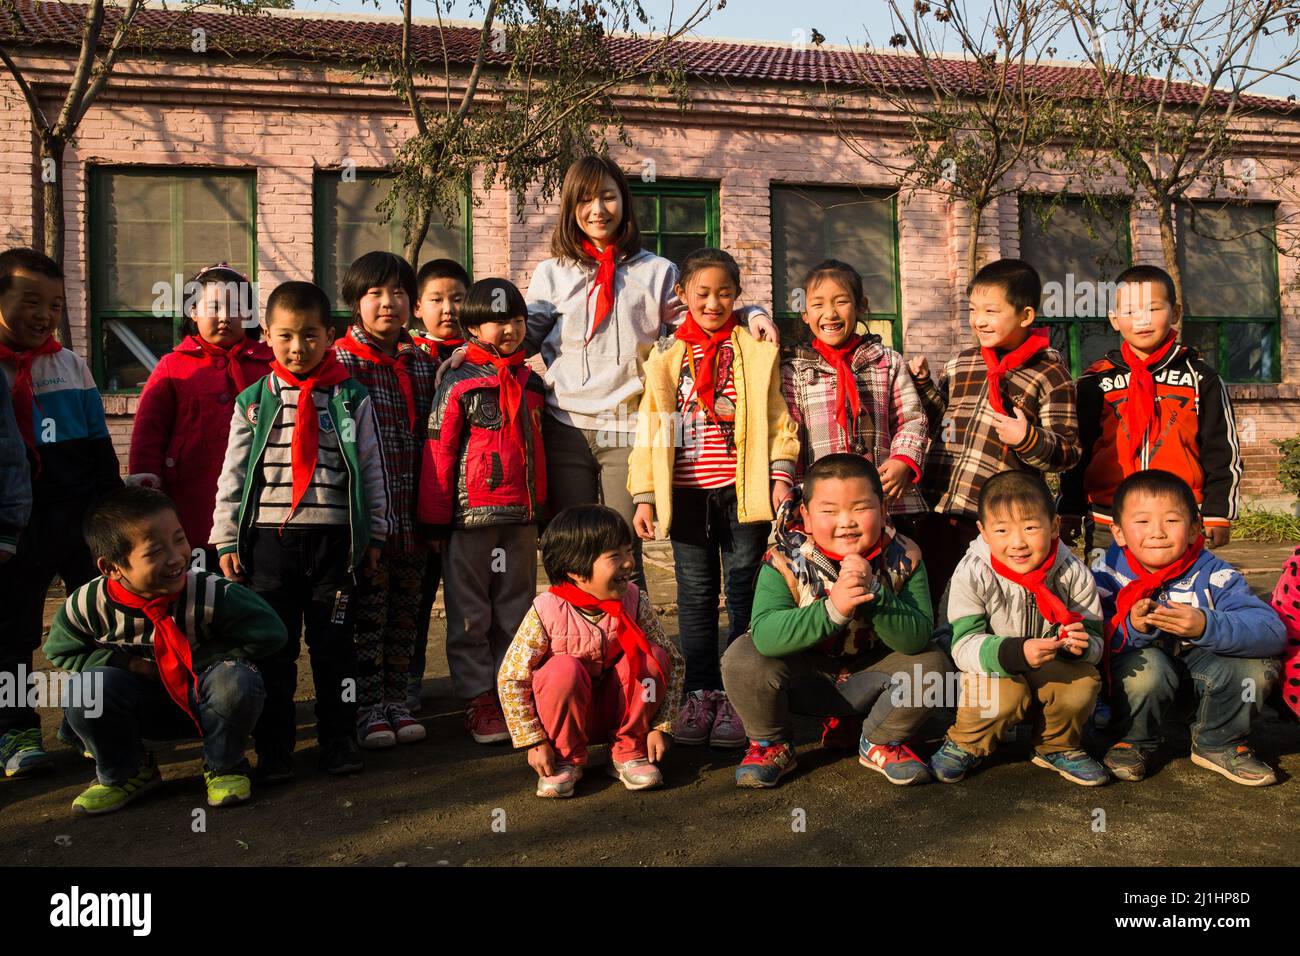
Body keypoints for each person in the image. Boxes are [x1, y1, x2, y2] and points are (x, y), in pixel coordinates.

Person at [522, 155, 778, 592]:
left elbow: (702, 319)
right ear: (571, 207)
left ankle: (635, 646)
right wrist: (469, 349)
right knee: (571, 547)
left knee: (624, 547)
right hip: (564, 425)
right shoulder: (552, 273)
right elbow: (522, 336)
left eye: (608, 196)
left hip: (629, 426)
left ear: (624, 199)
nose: (598, 209)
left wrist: (752, 311)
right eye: (585, 200)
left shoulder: (656, 271)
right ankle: (575, 642)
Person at [211, 280, 388, 780]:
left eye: (310, 335)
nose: (298, 347)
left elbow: (372, 470)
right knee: (274, 648)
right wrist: (226, 537)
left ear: (329, 334)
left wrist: (374, 535)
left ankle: (338, 740)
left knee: (335, 651)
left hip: (335, 545)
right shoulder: (253, 401)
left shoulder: (350, 399)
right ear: (266, 334)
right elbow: (234, 474)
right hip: (270, 546)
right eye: (286, 336)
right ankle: (275, 748)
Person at [629, 247, 799, 749]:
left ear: (738, 296)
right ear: (681, 296)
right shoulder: (665, 356)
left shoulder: (752, 349)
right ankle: (701, 692)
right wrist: (644, 494)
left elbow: (777, 418)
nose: (713, 302)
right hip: (686, 495)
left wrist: (780, 473)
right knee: (695, 596)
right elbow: (650, 429)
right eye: (702, 293)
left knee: (745, 588)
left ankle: (737, 693)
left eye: (725, 293)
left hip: (742, 493)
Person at [45, 487, 286, 814]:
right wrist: (129, 664)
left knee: (235, 679)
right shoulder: (88, 604)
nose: (175, 557)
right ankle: (126, 773)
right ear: (111, 567)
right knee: (85, 689)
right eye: (154, 551)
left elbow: (271, 631)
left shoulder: (210, 591)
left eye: (179, 539)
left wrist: (204, 658)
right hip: (139, 709)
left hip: (206, 702)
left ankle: (224, 765)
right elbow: (62, 652)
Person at [721, 454, 951, 788]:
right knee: (741, 658)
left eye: (860, 508)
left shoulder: (906, 555)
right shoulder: (783, 559)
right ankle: (772, 743)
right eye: (829, 511)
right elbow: (767, 636)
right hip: (806, 680)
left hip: (871, 679)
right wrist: (834, 610)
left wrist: (873, 592)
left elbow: (916, 637)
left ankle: (880, 739)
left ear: (884, 509)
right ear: (807, 517)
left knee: (934, 665)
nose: (846, 522)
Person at [0, 247, 121, 778]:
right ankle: (15, 731)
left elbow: (99, 447)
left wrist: (111, 514)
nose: (44, 315)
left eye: (54, 303)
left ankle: (86, 722)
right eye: (30, 301)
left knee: (96, 623)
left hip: (78, 519)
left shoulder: (70, 366)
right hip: (14, 530)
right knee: (12, 632)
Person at [1093, 469, 1286, 786]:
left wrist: (1206, 624)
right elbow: (1090, 641)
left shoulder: (1216, 574)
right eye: (1142, 522)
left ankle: (1218, 741)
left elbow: (1271, 631)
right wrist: (1132, 626)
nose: (1157, 532)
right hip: (1145, 687)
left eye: (1172, 520)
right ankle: (1134, 739)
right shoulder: (1104, 575)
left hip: (1203, 684)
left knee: (1258, 666)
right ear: (1118, 532)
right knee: (1147, 668)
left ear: (1196, 528)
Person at [418, 277, 546, 744]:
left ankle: (512, 692)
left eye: (516, 319)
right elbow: (438, 451)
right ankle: (478, 700)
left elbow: (539, 452)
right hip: (469, 519)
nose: (509, 329)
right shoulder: (457, 382)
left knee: (516, 610)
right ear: (473, 325)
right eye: (497, 320)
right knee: (470, 615)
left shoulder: (532, 385)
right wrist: (434, 518)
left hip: (521, 519)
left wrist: (541, 510)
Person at [908, 258, 1079, 606]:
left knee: (988, 603)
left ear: (1025, 315)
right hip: (939, 504)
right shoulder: (962, 362)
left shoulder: (1049, 373)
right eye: (973, 310)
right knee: (932, 597)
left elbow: (1068, 451)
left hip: (995, 520)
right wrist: (925, 387)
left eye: (991, 310)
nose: (979, 320)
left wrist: (1027, 437)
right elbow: (947, 420)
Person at [929, 470, 1108, 787]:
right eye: (1002, 530)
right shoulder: (973, 571)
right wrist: (1013, 652)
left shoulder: (1073, 571)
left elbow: (1095, 641)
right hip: (984, 666)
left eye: (1030, 527)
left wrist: (1080, 646)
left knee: (1082, 681)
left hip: (1049, 662)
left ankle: (1056, 745)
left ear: (1053, 526)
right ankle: (964, 742)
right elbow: (961, 644)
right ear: (983, 532)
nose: (1018, 543)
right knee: (1003, 696)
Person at [497, 505, 683, 798]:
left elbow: (673, 662)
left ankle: (628, 751)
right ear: (576, 571)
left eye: (628, 551)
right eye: (614, 556)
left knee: (653, 658)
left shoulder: (635, 601)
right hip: (566, 717)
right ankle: (566, 759)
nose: (627, 564)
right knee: (562, 670)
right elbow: (511, 678)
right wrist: (533, 740)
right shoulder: (546, 610)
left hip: (620, 710)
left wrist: (662, 725)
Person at [1060, 264, 1242, 551]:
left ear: (1176, 313)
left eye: (1153, 309)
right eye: (1130, 311)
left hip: (1179, 518)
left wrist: (1218, 513)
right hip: (1110, 518)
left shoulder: (1200, 378)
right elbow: (1076, 451)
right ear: (1114, 319)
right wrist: (1069, 509)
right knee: (1108, 593)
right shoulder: (1095, 380)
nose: (1142, 320)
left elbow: (1221, 449)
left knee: (1180, 594)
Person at [335, 252, 437, 748]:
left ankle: (397, 699)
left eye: (397, 292)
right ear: (355, 301)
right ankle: (368, 707)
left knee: (407, 615)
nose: (387, 303)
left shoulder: (422, 363)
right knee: (365, 619)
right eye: (374, 293)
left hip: (414, 519)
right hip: (366, 524)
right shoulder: (338, 365)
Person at [129, 262, 272, 565]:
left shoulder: (269, 365)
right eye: (214, 307)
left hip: (260, 497)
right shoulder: (173, 366)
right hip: (188, 499)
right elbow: (149, 431)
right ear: (193, 312)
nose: (224, 317)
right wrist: (147, 482)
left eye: (236, 308)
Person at [782, 259, 929, 530]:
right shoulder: (794, 371)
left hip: (885, 500)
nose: (830, 314)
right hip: (826, 507)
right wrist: (795, 492)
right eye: (818, 305)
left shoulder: (887, 362)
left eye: (841, 302)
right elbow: (788, 435)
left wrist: (902, 460)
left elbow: (912, 418)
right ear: (804, 314)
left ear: (861, 305)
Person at [407, 257, 469, 709]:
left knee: (471, 601)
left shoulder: (478, 356)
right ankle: (408, 679)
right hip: (417, 494)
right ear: (417, 307)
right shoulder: (408, 356)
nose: (448, 309)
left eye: (458, 299)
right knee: (417, 595)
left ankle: (479, 686)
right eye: (437, 300)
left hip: (471, 500)